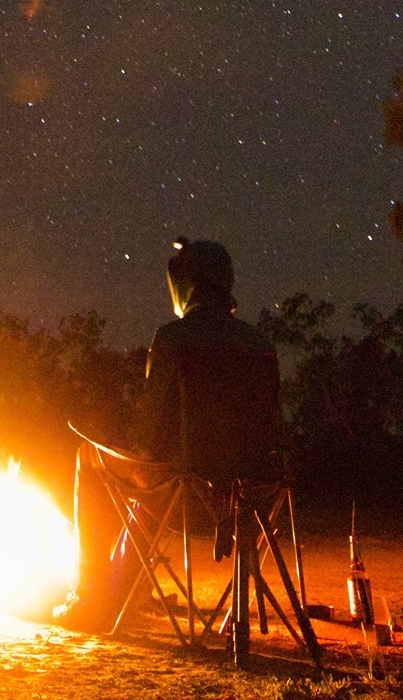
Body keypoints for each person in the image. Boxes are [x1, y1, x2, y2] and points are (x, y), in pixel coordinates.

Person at [55, 236, 282, 632]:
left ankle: (93, 597)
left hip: (187, 498)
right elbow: (274, 429)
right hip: (251, 501)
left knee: (96, 459)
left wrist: (130, 445)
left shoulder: (173, 339)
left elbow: (150, 432)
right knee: (158, 477)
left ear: (186, 285)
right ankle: (124, 590)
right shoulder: (260, 345)